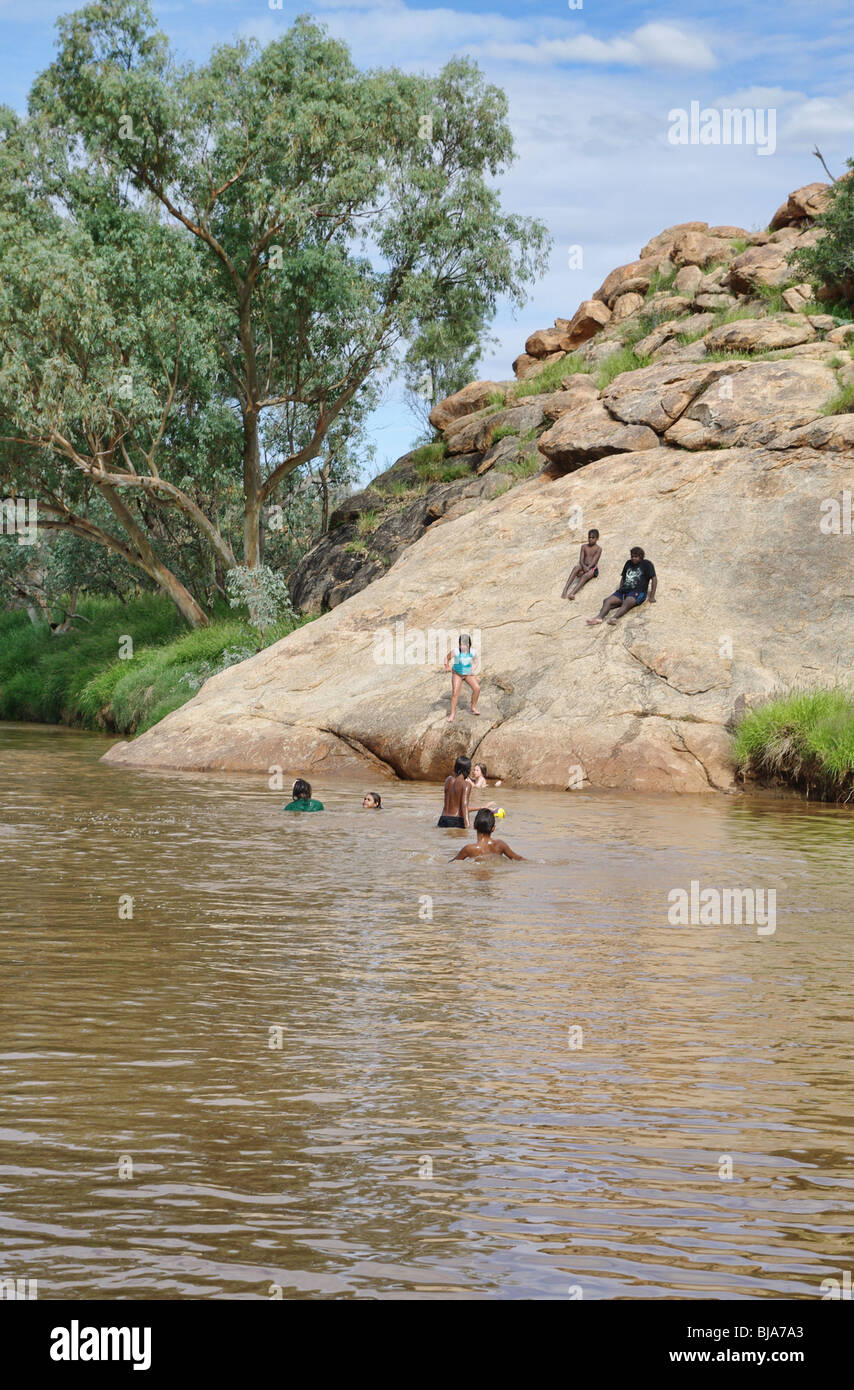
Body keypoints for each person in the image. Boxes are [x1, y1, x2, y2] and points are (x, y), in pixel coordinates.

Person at [587, 546, 657, 626]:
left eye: (636, 557)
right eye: (632, 556)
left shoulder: (647, 564)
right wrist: (620, 590)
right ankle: (599, 618)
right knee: (607, 601)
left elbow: (654, 579)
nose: (633, 558)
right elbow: (623, 578)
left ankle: (614, 618)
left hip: (638, 591)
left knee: (628, 601)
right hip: (624, 591)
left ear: (641, 557)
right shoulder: (628, 563)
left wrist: (652, 596)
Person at [452, 809, 525, 861]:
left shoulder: (469, 849)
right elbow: (518, 858)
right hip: (493, 880)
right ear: (493, 828)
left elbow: (453, 863)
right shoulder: (500, 845)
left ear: (474, 826)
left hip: (475, 879)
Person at [444, 633, 480, 722]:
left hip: (467, 673)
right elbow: (446, 658)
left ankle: (473, 707)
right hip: (457, 674)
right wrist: (447, 666)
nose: (462, 646)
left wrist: (473, 668)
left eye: (464, 644)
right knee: (455, 693)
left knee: (477, 688)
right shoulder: (456, 651)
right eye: (461, 644)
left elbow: (476, 661)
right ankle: (452, 714)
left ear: (469, 644)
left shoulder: (472, 652)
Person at [562, 528, 602, 600]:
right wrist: (583, 567)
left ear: (597, 538)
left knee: (585, 576)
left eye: (593, 537)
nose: (590, 539)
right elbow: (581, 559)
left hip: (592, 568)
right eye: (589, 537)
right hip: (583, 566)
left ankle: (572, 593)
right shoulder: (584, 547)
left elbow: (595, 560)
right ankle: (565, 589)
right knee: (576, 568)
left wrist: (588, 568)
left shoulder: (598, 549)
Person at [438, 755, 472, 828]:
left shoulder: (447, 780)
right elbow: (464, 805)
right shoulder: (466, 785)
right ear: (467, 770)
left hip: (442, 819)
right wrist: (467, 825)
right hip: (456, 820)